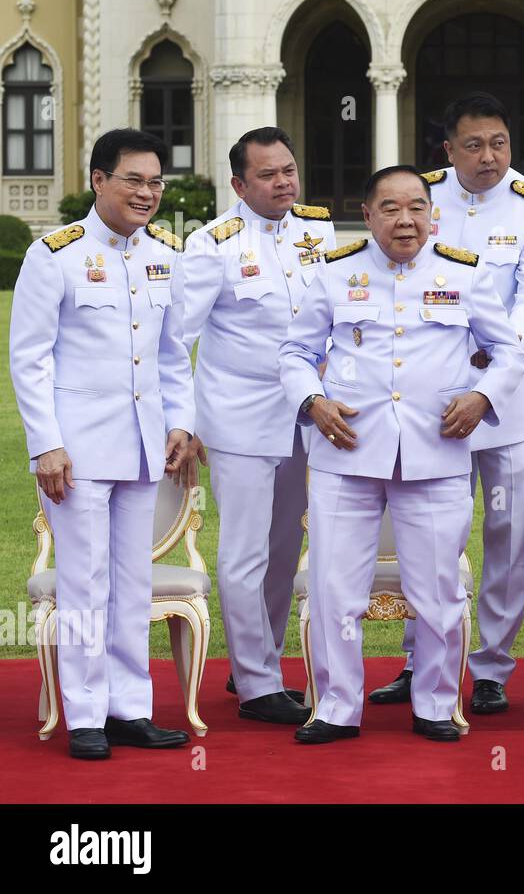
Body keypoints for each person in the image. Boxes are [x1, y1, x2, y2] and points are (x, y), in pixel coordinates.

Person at [280, 166, 524, 744]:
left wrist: (481, 394)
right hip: (347, 452)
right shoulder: (334, 273)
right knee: (335, 588)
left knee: (438, 590)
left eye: (417, 206)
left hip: (435, 451)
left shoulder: (464, 273)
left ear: (432, 214)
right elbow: (295, 351)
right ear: (367, 216)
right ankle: (338, 707)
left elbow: (509, 351)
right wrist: (313, 401)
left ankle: (436, 704)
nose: (406, 219)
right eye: (390, 207)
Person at [368, 94, 524, 715]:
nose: (489, 156)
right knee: (427, 537)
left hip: (507, 403)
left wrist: (491, 366)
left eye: (499, 142)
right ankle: (418, 659)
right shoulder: (419, 198)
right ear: (447, 150)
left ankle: (491, 668)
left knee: (507, 535)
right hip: (432, 405)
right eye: (474, 145)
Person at [11, 129, 198, 759]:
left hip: (145, 445)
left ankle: (128, 707)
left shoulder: (165, 256)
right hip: (79, 450)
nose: (147, 194)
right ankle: (85, 715)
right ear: (99, 180)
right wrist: (46, 444)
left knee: (130, 581)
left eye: (155, 183)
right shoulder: (55, 254)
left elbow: (174, 354)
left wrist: (181, 424)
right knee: (86, 582)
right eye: (133, 181)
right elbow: (29, 358)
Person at [182, 127, 335, 725]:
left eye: (289, 171)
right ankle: (257, 684)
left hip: (305, 417)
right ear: (239, 184)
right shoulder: (211, 245)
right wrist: (186, 422)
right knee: (244, 551)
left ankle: (259, 657)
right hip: (239, 417)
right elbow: (178, 340)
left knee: (284, 545)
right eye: (268, 175)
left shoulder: (317, 230)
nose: (283, 184)